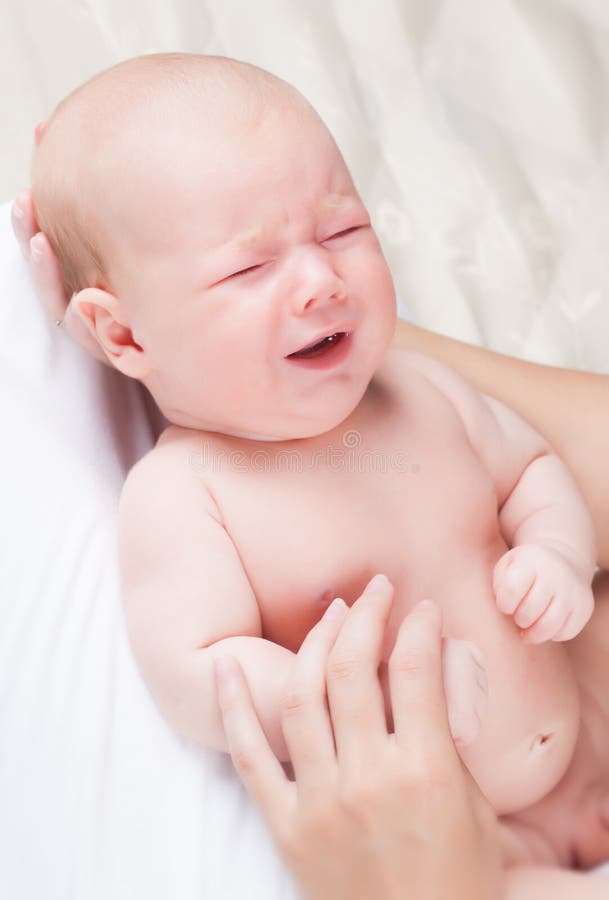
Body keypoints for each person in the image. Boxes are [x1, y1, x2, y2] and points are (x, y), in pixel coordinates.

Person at [12, 53, 609, 896]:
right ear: (125, 338)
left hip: (586, 713)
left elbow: (534, 470)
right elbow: (200, 670)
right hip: (479, 837)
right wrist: (346, 693)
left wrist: (554, 553)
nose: (321, 280)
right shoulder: (190, 493)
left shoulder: (419, 388)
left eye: (343, 231)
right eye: (248, 270)